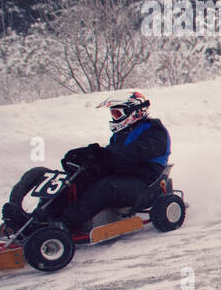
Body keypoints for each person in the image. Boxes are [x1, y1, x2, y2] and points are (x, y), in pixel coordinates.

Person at [43, 92, 171, 233]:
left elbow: (132, 153)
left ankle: (65, 224)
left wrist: (98, 153)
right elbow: (111, 161)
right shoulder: (120, 134)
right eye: (113, 114)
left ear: (134, 111)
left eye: (117, 113)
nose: (114, 118)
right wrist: (87, 162)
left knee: (104, 188)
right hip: (122, 176)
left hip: (144, 182)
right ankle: (44, 216)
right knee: (77, 181)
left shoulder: (155, 131)